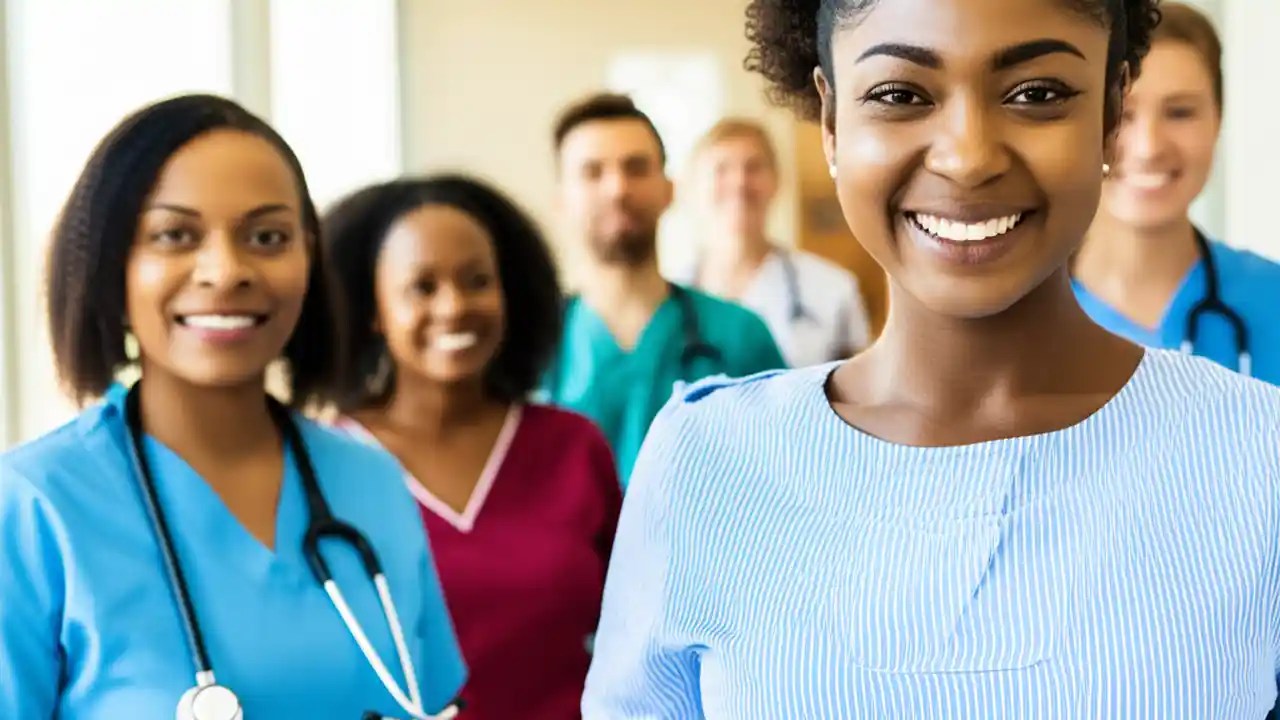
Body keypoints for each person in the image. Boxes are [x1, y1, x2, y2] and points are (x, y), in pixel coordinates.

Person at [584, 0, 1280, 717]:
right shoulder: (705, 462)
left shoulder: (1261, 460)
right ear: (830, 122)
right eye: (899, 95)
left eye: (1036, 94)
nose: (968, 155)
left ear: (1110, 110)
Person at [0, 94, 466, 720]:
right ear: (111, 265)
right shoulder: (35, 506)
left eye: (267, 236)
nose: (226, 270)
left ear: (308, 258)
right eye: (175, 236)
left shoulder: (371, 481)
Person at [321, 173, 623, 720]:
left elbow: (641, 634)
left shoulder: (573, 447)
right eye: (423, 287)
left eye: (477, 280)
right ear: (373, 309)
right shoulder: (324, 465)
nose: (455, 306)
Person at [540, 93, 787, 485]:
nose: (617, 188)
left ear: (668, 190)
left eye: (636, 168)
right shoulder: (530, 349)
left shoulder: (740, 335)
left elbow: (786, 481)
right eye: (592, 172)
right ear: (560, 199)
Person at [1074, 2, 1280, 385]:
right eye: (1122, 113)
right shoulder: (1018, 314)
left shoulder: (1273, 299)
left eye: (1180, 112)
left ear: (1219, 120)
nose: (1149, 147)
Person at [676, 118, 872, 367]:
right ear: (694, 185)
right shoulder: (668, 298)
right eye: (721, 169)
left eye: (753, 167)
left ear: (777, 181)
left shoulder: (833, 289)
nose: (739, 183)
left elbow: (860, 392)